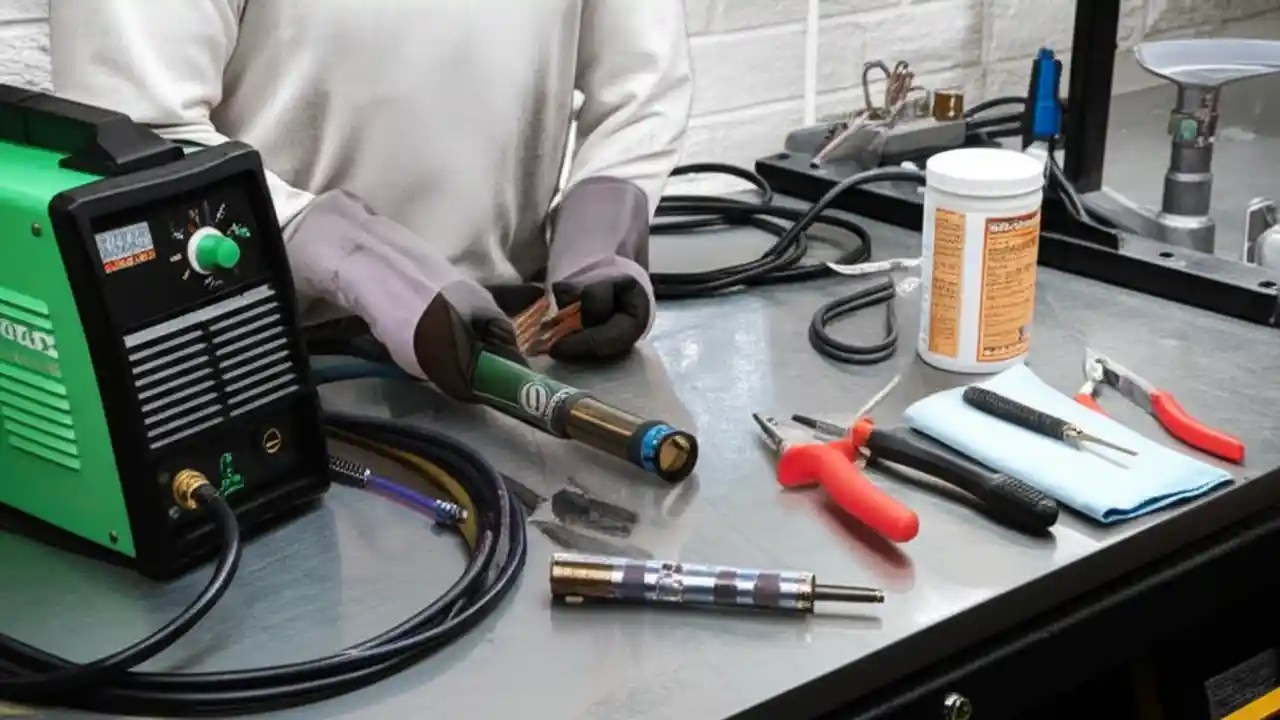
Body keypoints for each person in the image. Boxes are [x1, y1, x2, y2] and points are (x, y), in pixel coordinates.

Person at [49, 2, 693, 400]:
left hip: (515, 352)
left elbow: (642, 86)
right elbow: (137, 138)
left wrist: (601, 232)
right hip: (272, 373)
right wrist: (349, 258)